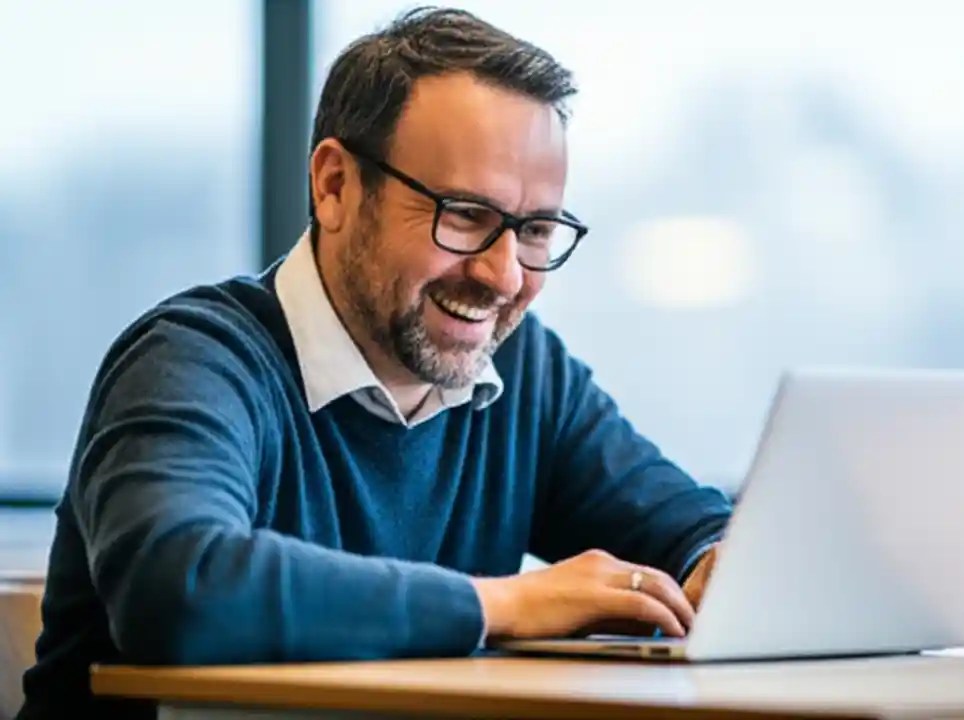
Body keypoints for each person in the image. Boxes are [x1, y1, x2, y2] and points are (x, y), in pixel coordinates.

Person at [18, 7, 732, 719]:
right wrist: (501, 605)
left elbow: (691, 530)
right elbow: (180, 590)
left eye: (536, 229)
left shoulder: (524, 371)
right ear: (335, 186)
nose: (505, 275)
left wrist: (720, 566)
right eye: (464, 215)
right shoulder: (193, 360)